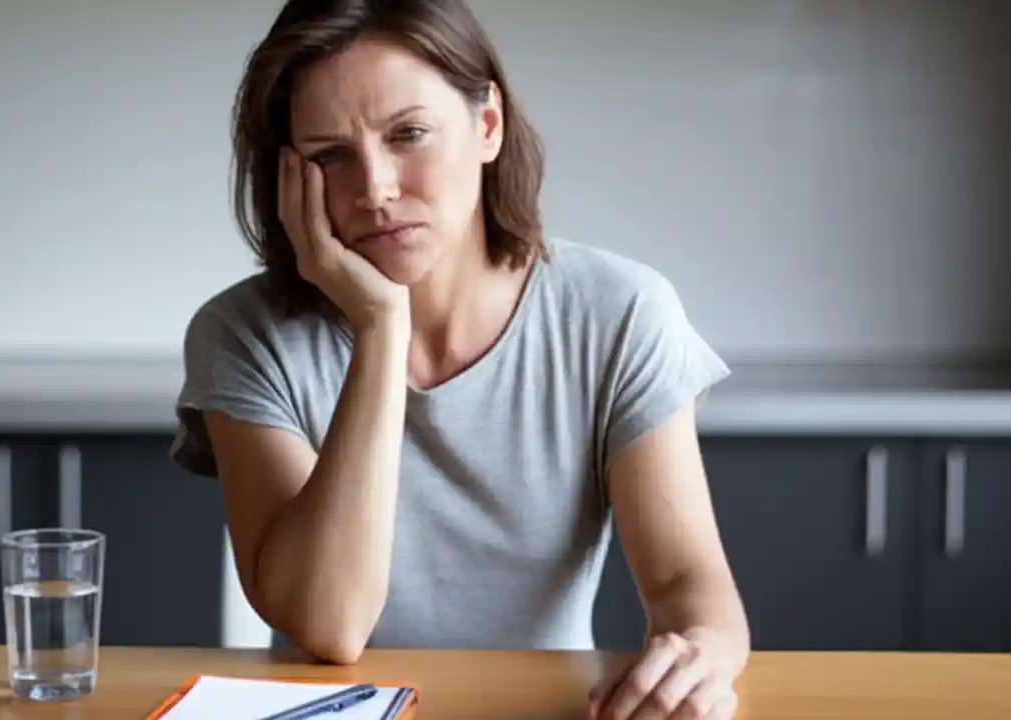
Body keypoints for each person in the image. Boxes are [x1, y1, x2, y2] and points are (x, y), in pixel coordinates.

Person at [171, 0, 750, 717]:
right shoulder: (243, 335)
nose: (376, 189)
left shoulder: (619, 311)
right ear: (289, 176)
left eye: (408, 134)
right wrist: (382, 324)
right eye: (329, 156)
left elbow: (686, 579)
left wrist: (701, 654)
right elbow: (328, 625)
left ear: (488, 125)